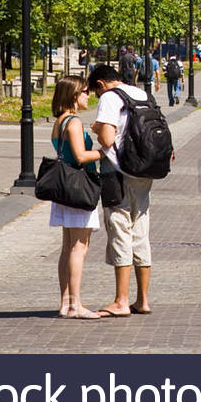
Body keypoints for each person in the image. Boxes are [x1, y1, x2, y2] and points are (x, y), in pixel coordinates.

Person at [87, 64, 154, 318]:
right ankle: (143, 299)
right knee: (140, 231)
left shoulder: (109, 98)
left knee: (120, 230)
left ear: (101, 84)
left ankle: (121, 301)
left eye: (95, 91)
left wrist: (96, 127)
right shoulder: (141, 94)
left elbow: (106, 139)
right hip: (145, 171)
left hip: (118, 171)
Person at [49, 75, 102, 320]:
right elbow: (80, 156)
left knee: (67, 247)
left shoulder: (59, 121)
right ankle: (76, 305)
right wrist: (103, 153)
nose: (88, 96)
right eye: (84, 92)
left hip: (64, 188)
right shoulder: (74, 122)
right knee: (79, 247)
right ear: (73, 95)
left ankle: (65, 302)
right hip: (79, 188)